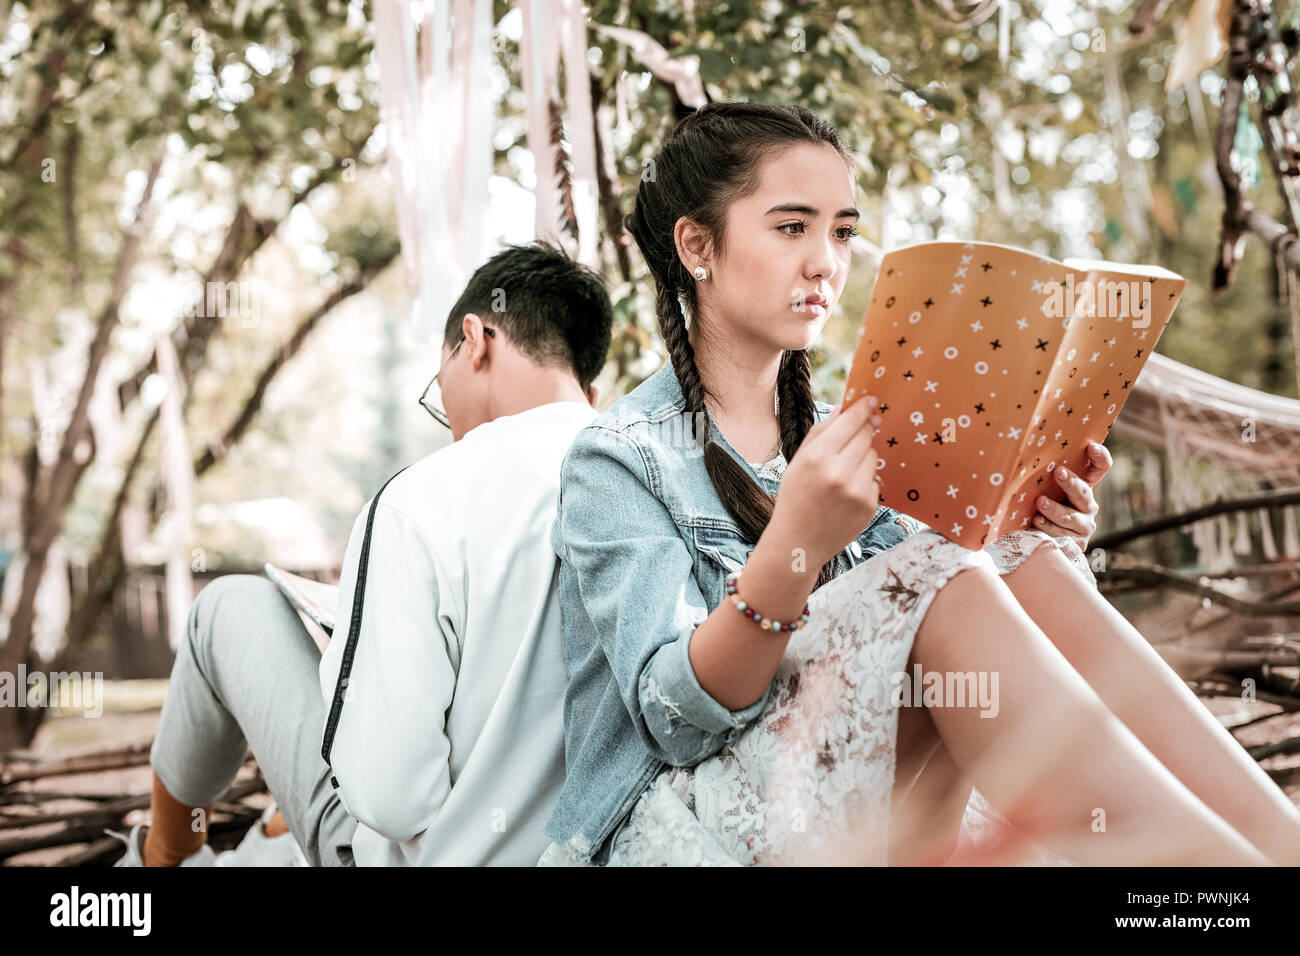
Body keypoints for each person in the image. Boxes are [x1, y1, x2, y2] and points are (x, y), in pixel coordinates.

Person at [536, 102, 1300, 867]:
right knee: (944, 573)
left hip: (860, 790)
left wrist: (1039, 527)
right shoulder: (620, 458)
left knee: (1019, 561)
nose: (826, 262)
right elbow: (675, 719)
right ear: (697, 245)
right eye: (791, 227)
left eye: (841, 232)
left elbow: (960, 635)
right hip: (686, 824)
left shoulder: (851, 431)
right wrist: (797, 543)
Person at [112, 241, 612, 866]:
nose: (446, 414)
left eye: (440, 384)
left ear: (476, 339)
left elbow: (392, 800)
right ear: (588, 385)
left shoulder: (425, 498)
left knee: (227, 607)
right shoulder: (654, 479)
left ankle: (159, 863)